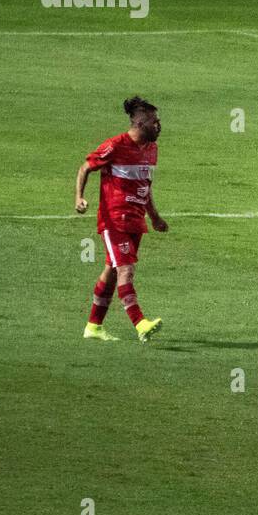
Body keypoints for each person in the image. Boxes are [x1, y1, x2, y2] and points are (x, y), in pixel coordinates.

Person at [75, 96, 166, 342]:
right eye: (153, 121)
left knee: (112, 272)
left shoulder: (152, 150)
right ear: (138, 122)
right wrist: (79, 198)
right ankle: (140, 323)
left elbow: (145, 188)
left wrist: (155, 217)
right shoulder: (115, 145)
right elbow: (85, 167)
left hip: (136, 221)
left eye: (158, 121)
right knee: (125, 270)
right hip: (114, 220)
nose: (158, 125)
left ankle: (93, 327)